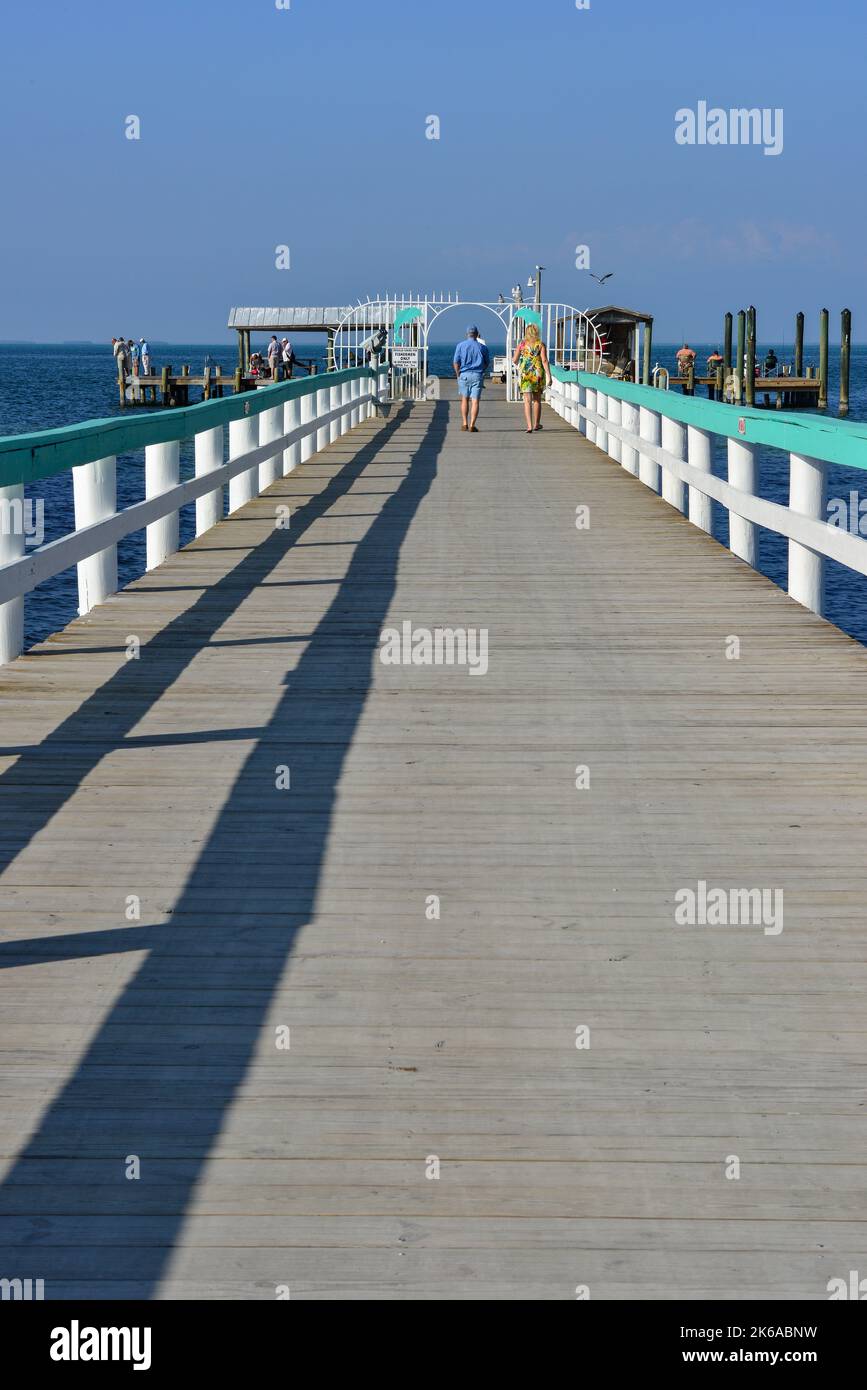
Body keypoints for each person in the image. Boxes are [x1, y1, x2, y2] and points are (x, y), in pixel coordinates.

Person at [512, 322, 551, 432]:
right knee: (537, 400)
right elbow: (544, 360)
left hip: (526, 375)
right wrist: (549, 375)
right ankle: (536, 424)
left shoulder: (522, 345)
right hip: (537, 375)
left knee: (527, 401)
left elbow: (514, 360)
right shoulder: (540, 344)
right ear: (536, 332)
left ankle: (529, 426)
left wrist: (521, 361)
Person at [453, 326, 490, 432]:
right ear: (477, 334)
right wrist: (482, 369)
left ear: (467, 334)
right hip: (477, 375)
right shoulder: (482, 347)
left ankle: (464, 423)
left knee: (464, 399)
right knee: (475, 401)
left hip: (464, 374)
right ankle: (472, 425)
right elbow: (487, 362)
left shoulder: (460, 345)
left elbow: (456, 362)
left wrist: (458, 374)